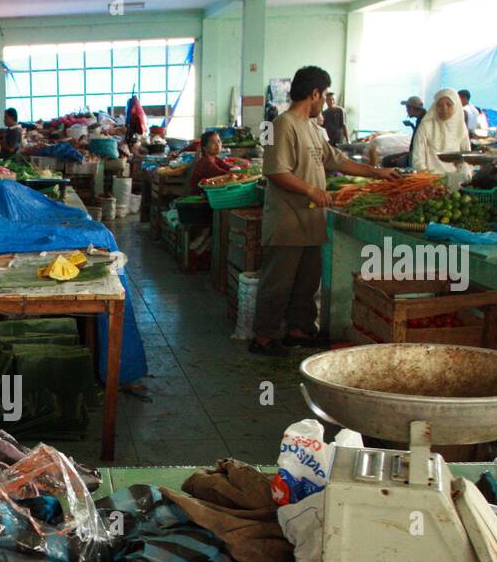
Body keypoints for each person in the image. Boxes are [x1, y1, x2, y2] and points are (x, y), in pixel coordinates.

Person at [251, 66, 400, 357]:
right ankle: (263, 338)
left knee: (307, 283)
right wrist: (311, 190)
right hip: (286, 222)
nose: (325, 101)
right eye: (325, 94)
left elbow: (338, 161)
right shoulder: (280, 126)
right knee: (278, 283)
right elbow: (276, 171)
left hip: (311, 221)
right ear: (315, 93)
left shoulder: (312, 128)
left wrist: (378, 173)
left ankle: (298, 330)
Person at [410, 89, 473, 190]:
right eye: (440, 105)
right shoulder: (426, 126)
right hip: (431, 180)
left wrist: (463, 172)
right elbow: (418, 157)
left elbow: (466, 156)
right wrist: (425, 177)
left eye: (449, 104)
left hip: (456, 179)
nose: (444, 108)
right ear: (435, 107)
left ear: (456, 106)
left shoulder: (460, 127)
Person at [186, 130, 233, 196]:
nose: (218, 145)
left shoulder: (215, 159)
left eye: (218, 141)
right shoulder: (205, 163)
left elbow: (229, 168)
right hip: (199, 199)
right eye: (213, 143)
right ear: (205, 148)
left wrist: (241, 169)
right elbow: (224, 174)